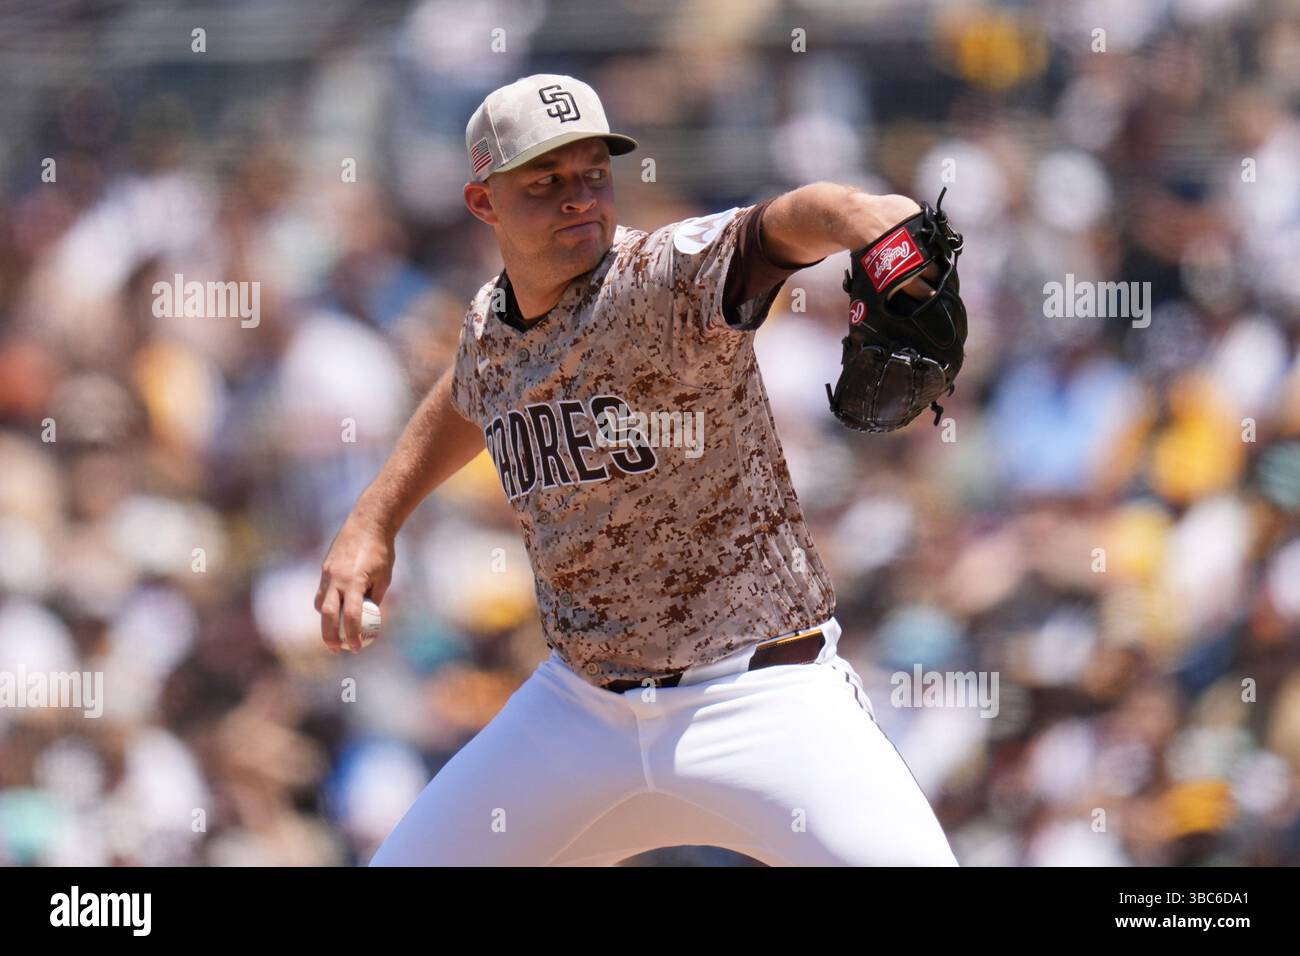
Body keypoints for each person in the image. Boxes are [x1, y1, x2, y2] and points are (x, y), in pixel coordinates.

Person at [317, 73, 955, 866]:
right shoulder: (492, 323)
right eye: (545, 182)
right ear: (483, 203)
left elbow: (789, 222)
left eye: (592, 174)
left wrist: (863, 219)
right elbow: (471, 387)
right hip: (581, 712)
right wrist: (373, 520)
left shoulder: (663, 275)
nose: (578, 198)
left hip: (761, 696)